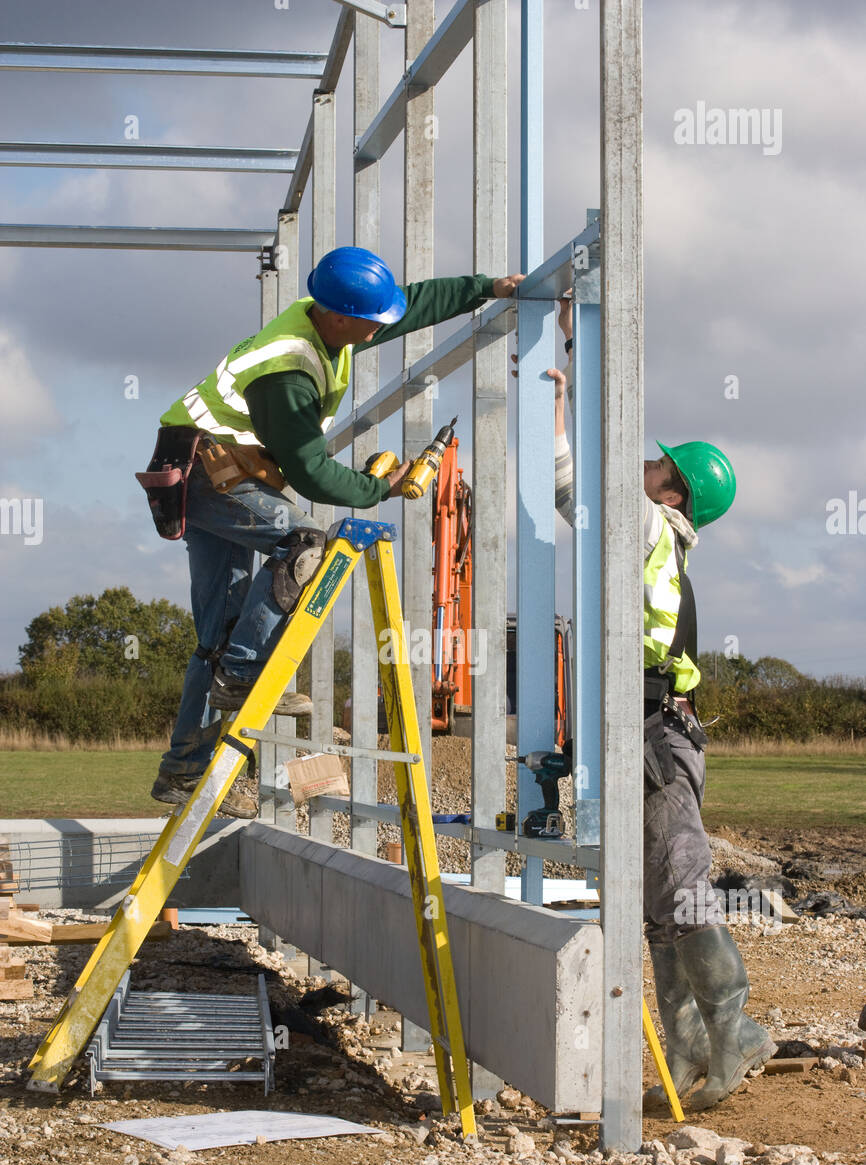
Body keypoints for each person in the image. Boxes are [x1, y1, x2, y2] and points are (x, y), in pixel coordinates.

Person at [146, 247, 524, 817]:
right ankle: (243, 673)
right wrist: (382, 488)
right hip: (209, 471)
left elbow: (411, 305)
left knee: (214, 637)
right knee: (305, 546)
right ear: (340, 316)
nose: (380, 328)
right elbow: (311, 474)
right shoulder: (288, 372)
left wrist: (486, 287)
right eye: (371, 321)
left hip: (209, 466)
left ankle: (181, 772)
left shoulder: (329, 318)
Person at [549, 293, 775, 1110]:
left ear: (672, 493)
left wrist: (577, 352)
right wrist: (557, 406)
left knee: (680, 883)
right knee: (656, 905)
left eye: (658, 466)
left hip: (653, 732)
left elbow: (597, 465)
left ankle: (737, 1028)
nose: (644, 466)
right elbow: (578, 490)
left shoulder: (646, 524)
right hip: (645, 731)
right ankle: (692, 1062)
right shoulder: (650, 533)